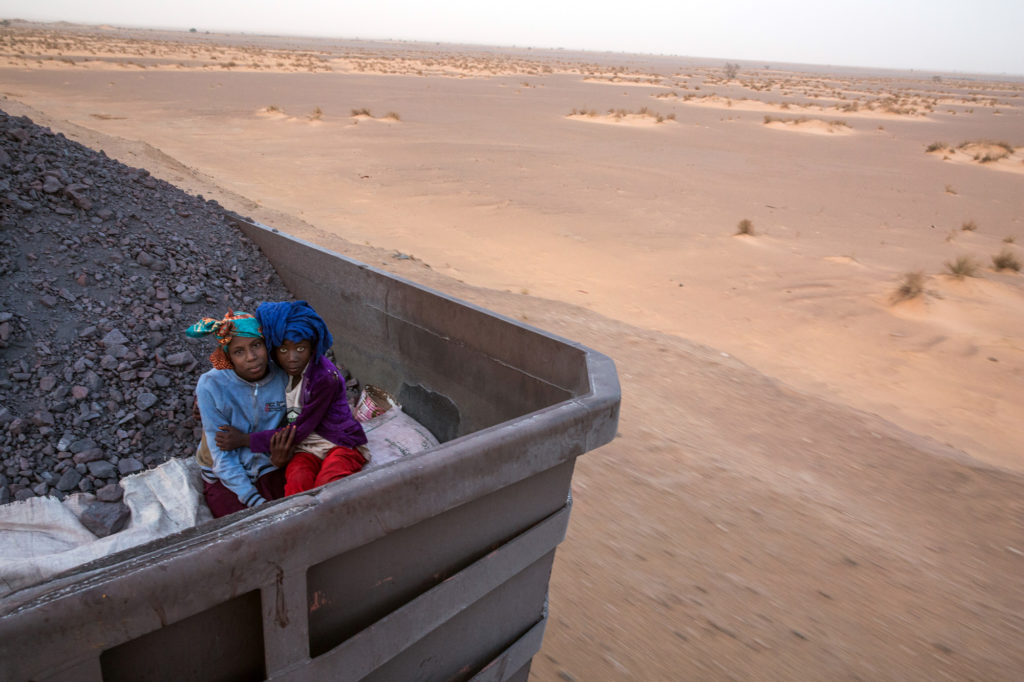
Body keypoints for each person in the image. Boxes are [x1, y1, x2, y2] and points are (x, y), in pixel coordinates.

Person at [215, 300, 367, 496]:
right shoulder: (279, 370)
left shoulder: (324, 378)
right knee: (297, 482)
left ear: (313, 347)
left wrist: (245, 440)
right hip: (305, 447)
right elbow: (240, 377)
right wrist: (212, 397)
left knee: (329, 486)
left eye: (301, 349)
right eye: (284, 350)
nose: (292, 358)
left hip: (339, 442)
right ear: (274, 349)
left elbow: (298, 431)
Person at [187, 310, 289, 517]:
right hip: (224, 476)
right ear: (228, 356)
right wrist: (253, 499)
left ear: (266, 344)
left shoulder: (283, 377)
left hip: (268, 464)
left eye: (256, 345)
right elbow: (220, 454)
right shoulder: (211, 386)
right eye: (239, 351)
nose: (251, 358)